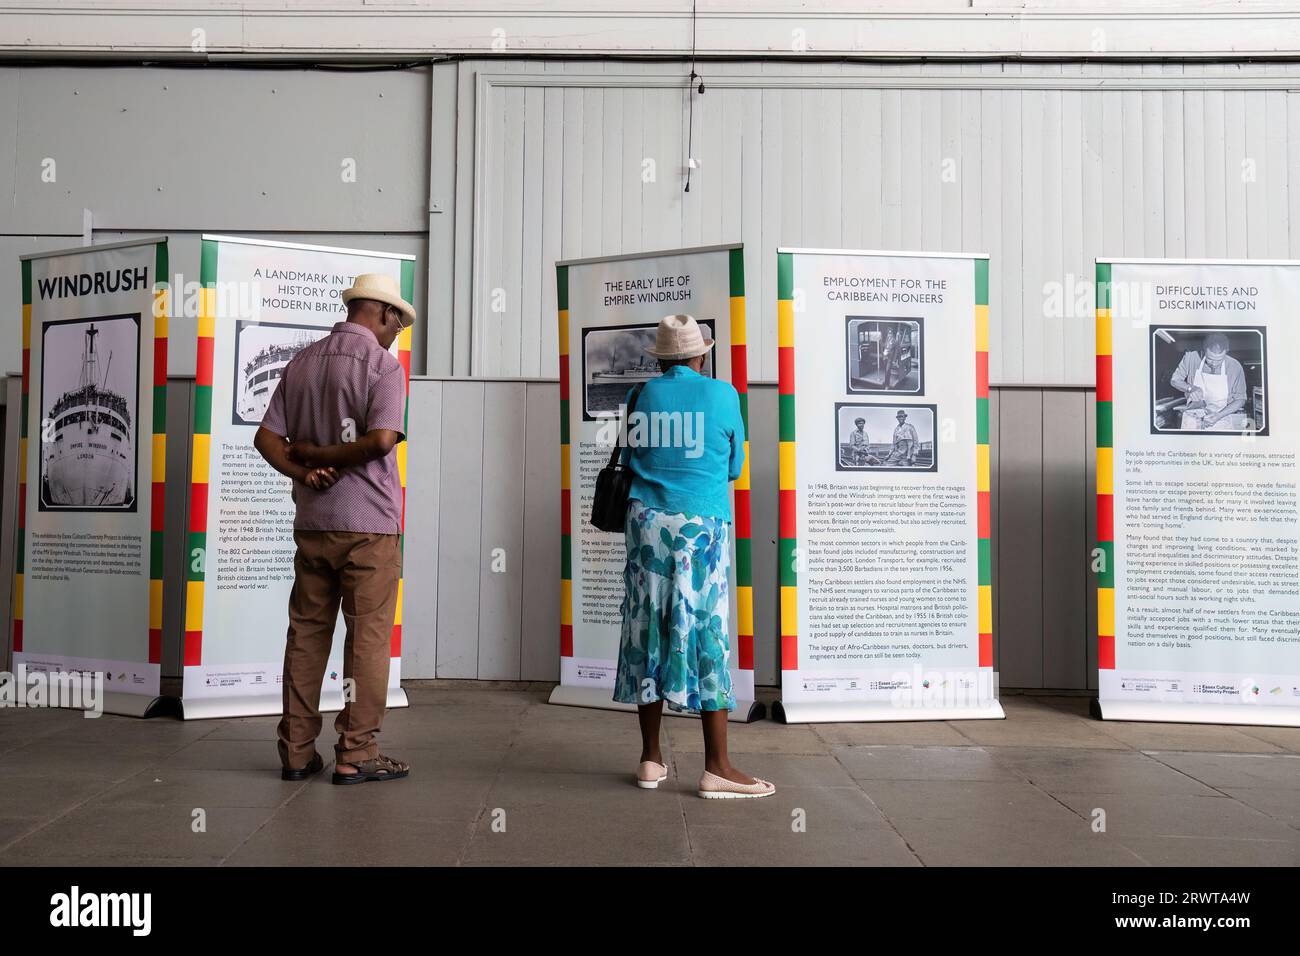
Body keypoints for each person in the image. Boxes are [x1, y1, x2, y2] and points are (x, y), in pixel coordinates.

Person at [253, 273, 414, 786]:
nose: (396, 334)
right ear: (384, 313)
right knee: (366, 641)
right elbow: (382, 440)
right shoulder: (382, 366)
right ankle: (356, 753)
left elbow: (266, 438)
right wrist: (324, 457)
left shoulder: (301, 362)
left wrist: (307, 469)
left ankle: (297, 752)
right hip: (370, 525)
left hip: (315, 522)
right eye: (397, 323)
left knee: (306, 635)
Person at [612, 314, 775, 800]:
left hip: (645, 526)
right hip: (698, 529)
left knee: (646, 629)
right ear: (700, 354)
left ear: (660, 357)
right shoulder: (723, 395)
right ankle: (717, 767)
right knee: (705, 631)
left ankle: (649, 758)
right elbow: (735, 465)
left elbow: (633, 456)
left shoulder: (639, 396)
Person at [1170, 331, 1248, 431]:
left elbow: (1241, 399)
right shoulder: (1191, 357)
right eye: (1210, 359)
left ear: (1226, 351)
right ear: (1204, 350)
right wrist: (1190, 388)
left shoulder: (1235, 366)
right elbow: (1175, 380)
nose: (1214, 364)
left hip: (1222, 416)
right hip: (1193, 416)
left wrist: (1219, 415)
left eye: (1219, 360)